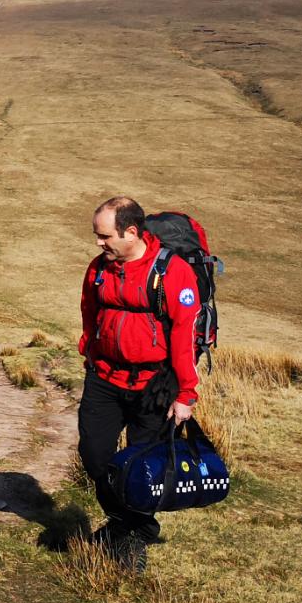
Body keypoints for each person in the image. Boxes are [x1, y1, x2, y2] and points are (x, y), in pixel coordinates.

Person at [78, 196, 202, 570]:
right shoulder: (99, 268)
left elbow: (184, 334)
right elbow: (89, 310)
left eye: (105, 236)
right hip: (104, 378)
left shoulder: (173, 272)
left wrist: (186, 393)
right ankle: (128, 524)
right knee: (95, 457)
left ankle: (131, 539)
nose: (99, 242)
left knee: (143, 469)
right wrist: (89, 349)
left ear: (131, 232)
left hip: (153, 386)